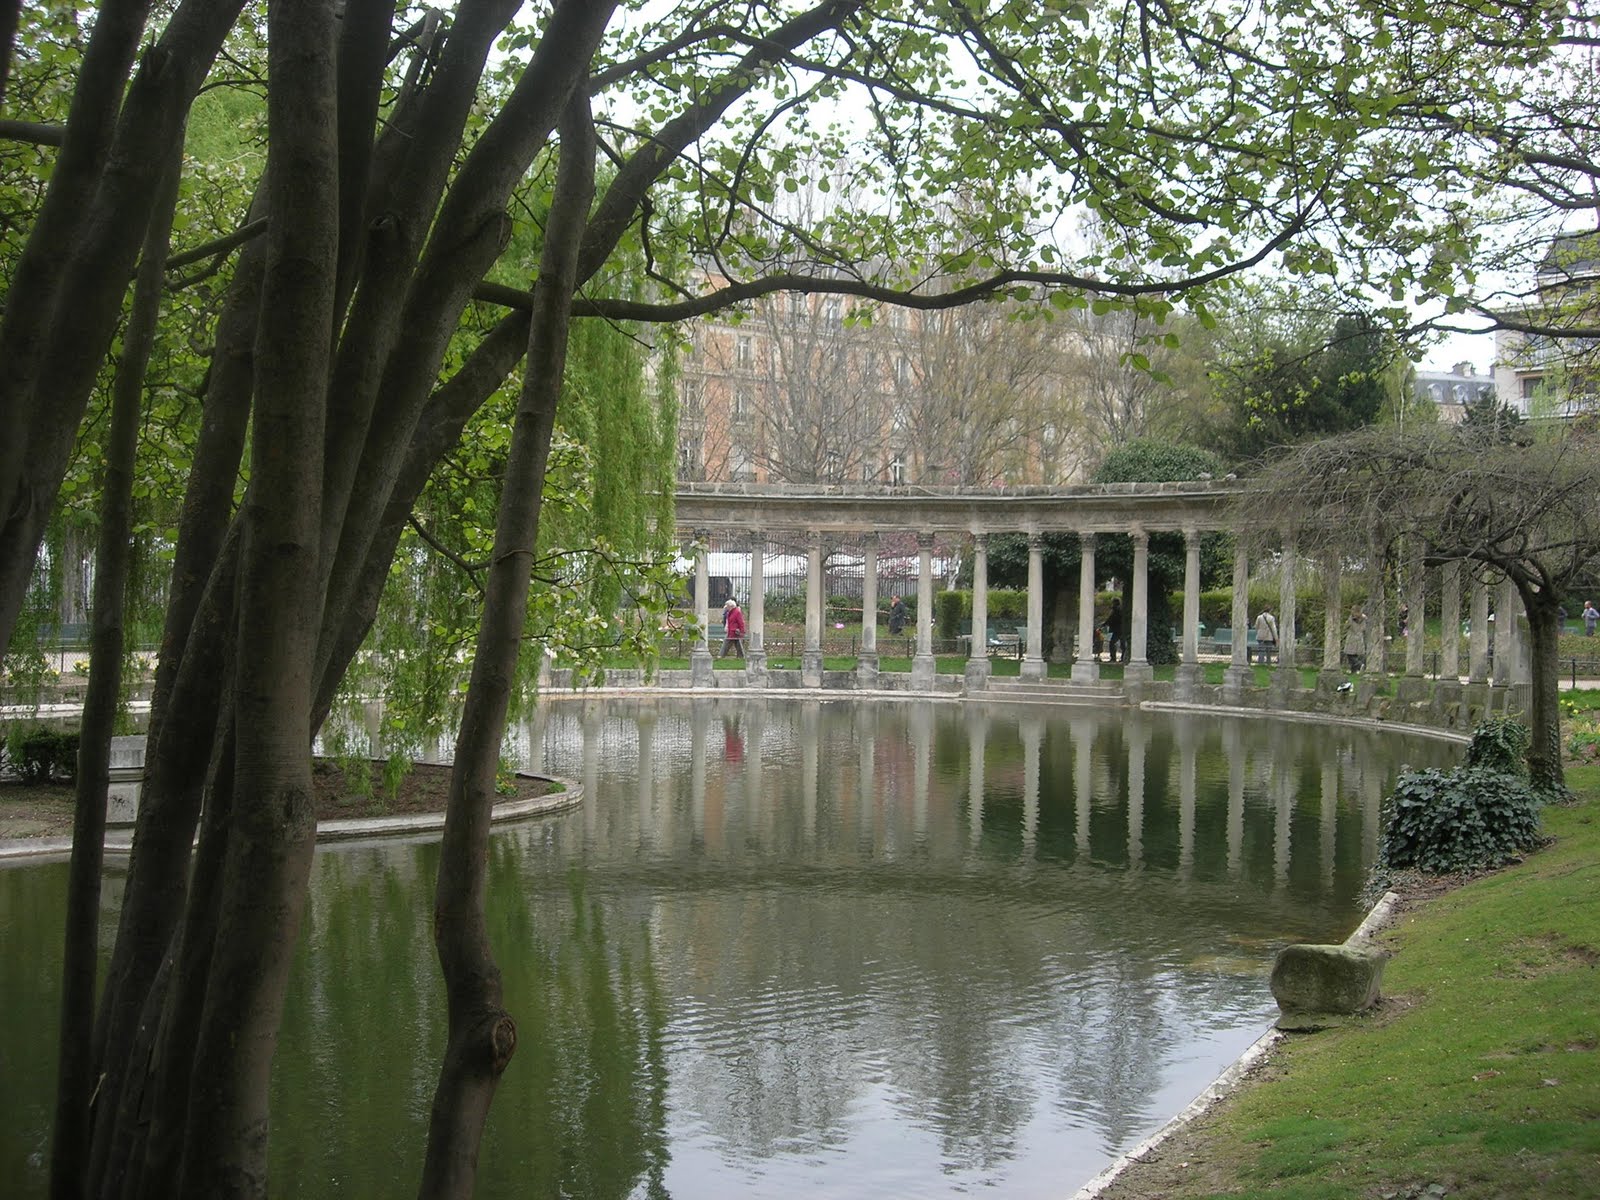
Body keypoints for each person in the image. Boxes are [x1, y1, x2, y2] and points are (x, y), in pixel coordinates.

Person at [1342, 607, 1368, 673]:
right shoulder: (1364, 619)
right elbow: (1364, 628)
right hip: (1359, 637)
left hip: (1352, 637)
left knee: (1350, 655)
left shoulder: (1351, 619)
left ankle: (1359, 665)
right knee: (1354, 655)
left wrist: (1346, 623)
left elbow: (1346, 626)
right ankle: (1353, 670)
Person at [1105, 598, 1125, 663]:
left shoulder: (1117, 610)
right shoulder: (1118, 610)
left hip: (1118, 629)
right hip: (1120, 629)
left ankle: (1114, 658)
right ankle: (1121, 658)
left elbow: (1111, 619)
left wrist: (1105, 624)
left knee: (1113, 643)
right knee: (1122, 644)